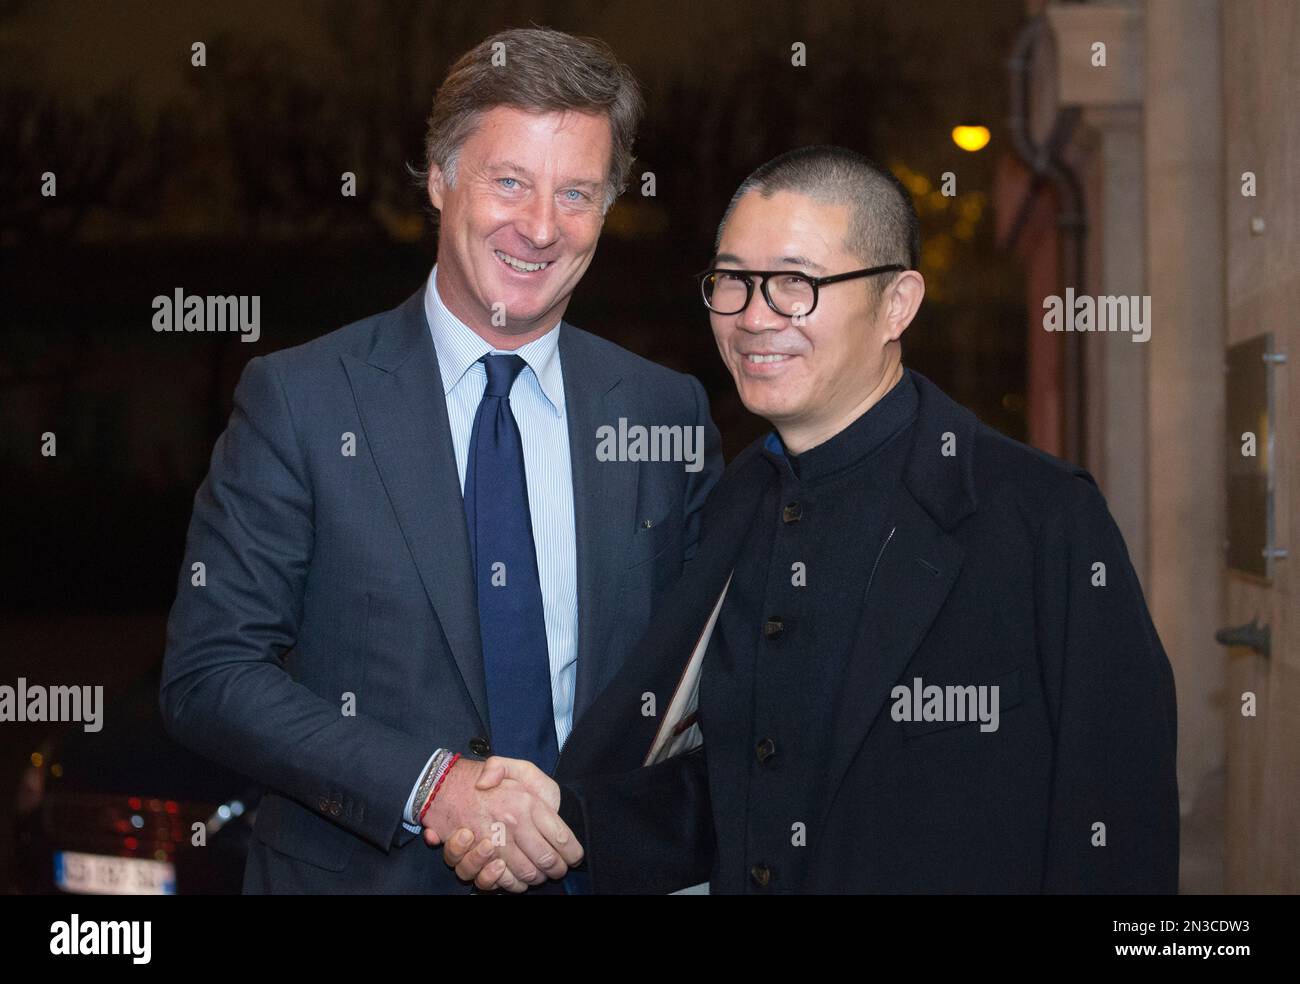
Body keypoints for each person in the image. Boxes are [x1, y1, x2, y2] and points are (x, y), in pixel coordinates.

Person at [446, 145, 1180, 894]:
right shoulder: (736, 503)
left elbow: (1116, 819)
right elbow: (736, 788)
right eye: (733, 281)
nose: (755, 317)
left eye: (796, 283)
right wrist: (563, 820)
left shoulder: (1038, 516)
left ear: (897, 303)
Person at [159, 26, 721, 894]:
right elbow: (208, 675)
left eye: (575, 193)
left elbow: (705, 689)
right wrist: (431, 787)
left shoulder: (662, 411)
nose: (540, 227)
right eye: (509, 182)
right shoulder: (302, 400)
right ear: (439, 177)